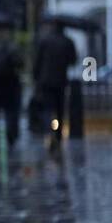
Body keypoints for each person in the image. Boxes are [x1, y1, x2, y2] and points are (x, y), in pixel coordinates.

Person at [32, 21, 77, 151]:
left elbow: (37, 62)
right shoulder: (67, 41)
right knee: (60, 110)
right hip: (60, 81)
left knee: (47, 109)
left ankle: (49, 131)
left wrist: (36, 78)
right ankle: (58, 136)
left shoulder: (45, 41)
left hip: (45, 81)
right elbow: (73, 60)